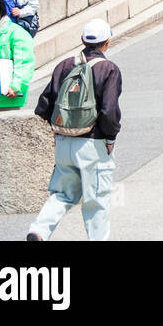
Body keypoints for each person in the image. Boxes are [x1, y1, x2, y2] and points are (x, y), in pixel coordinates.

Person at [27, 18, 123, 242]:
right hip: (93, 143)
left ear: (82, 40)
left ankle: (39, 231)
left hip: (63, 142)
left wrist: (59, 130)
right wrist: (110, 137)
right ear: (107, 42)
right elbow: (109, 110)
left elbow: (43, 105)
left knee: (61, 194)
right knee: (96, 199)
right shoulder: (108, 68)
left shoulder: (64, 65)